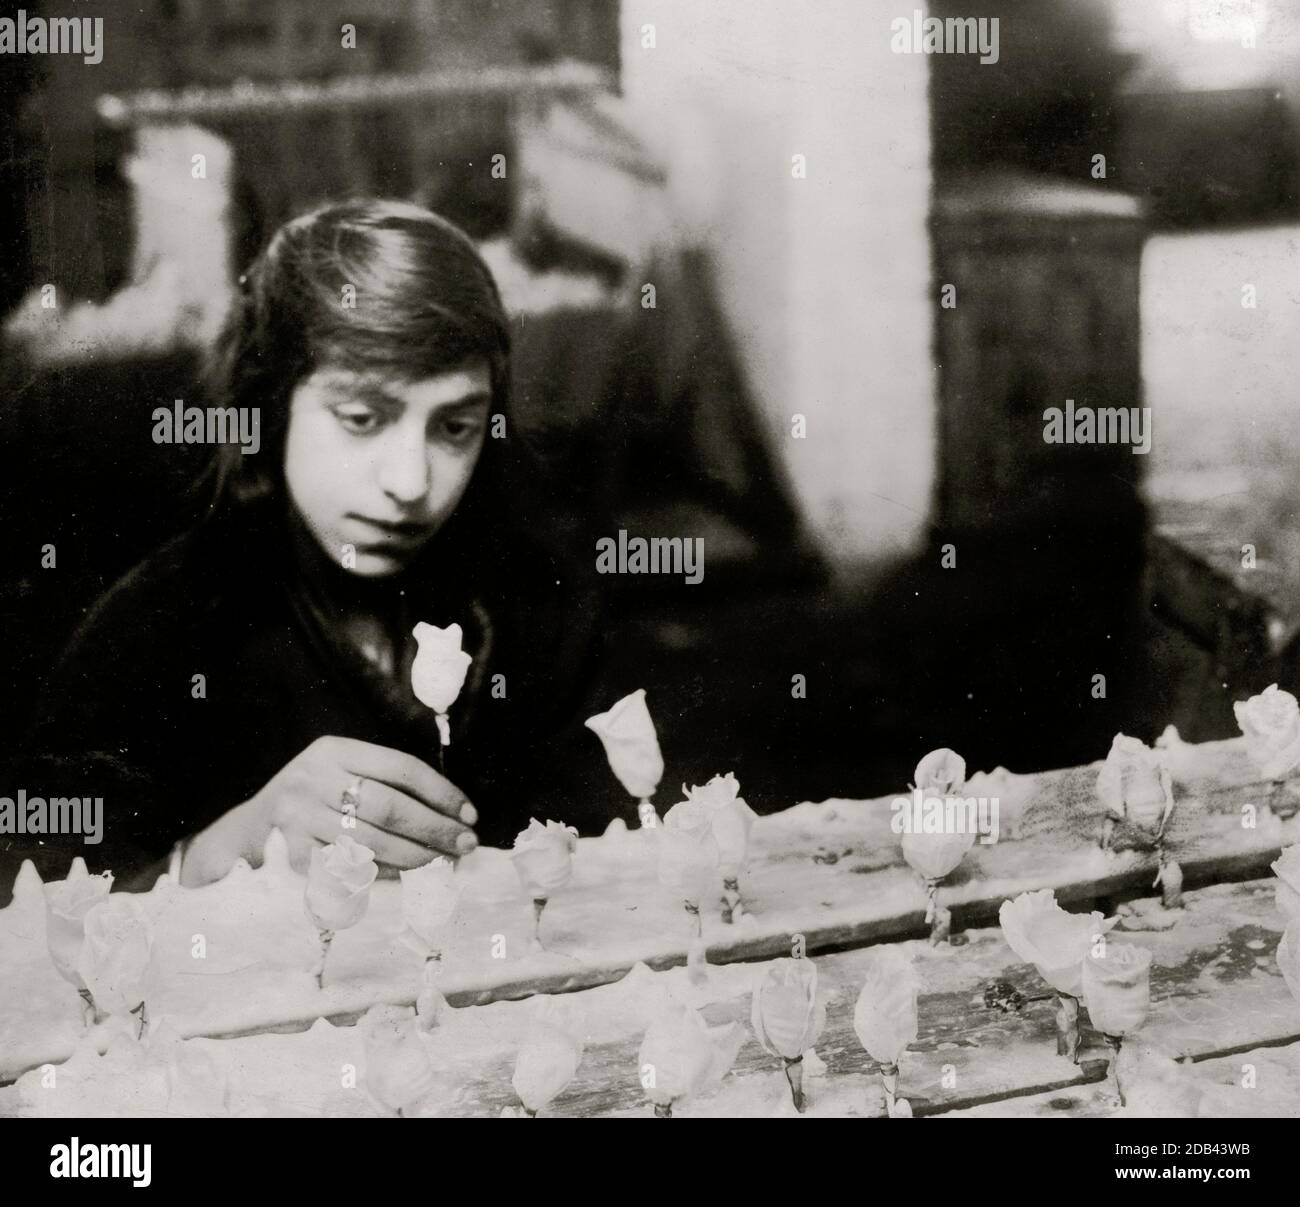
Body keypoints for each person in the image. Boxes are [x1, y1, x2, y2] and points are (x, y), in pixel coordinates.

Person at [13, 199, 615, 893]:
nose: (411, 481)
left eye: (454, 427)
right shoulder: (165, 623)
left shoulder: (540, 602)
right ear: (272, 408)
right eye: (362, 417)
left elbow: (602, 863)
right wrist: (222, 852)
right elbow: (30, 905)